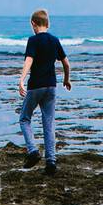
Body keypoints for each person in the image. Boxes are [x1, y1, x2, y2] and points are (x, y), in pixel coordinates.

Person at [18, 9, 71, 174]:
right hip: (51, 87)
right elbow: (66, 63)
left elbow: (29, 60)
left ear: (33, 24)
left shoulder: (33, 40)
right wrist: (66, 79)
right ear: (48, 24)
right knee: (49, 123)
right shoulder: (55, 40)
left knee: (24, 118)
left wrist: (21, 80)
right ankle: (51, 162)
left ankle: (33, 151)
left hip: (35, 87)